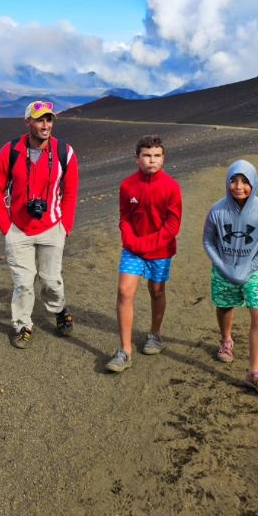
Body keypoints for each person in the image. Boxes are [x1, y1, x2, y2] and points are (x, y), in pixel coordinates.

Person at [0, 101, 78, 349]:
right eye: (39, 120)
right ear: (27, 121)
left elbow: (70, 192)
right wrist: (6, 227)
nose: (45, 125)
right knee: (23, 282)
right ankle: (22, 325)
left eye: (49, 120)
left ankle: (58, 310)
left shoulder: (64, 152)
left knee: (51, 280)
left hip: (52, 227)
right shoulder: (10, 151)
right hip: (18, 229)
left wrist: (65, 226)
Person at [106, 135, 182, 373]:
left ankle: (155, 335)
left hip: (160, 249)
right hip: (133, 248)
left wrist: (145, 244)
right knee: (123, 291)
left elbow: (172, 226)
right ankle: (125, 351)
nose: (152, 160)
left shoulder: (171, 186)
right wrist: (132, 242)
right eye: (147, 155)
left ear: (163, 158)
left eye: (157, 155)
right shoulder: (127, 185)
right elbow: (124, 218)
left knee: (156, 291)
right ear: (137, 158)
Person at [202, 159, 258, 394]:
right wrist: (223, 267)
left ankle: (253, 372)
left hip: (253, 271)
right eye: (233, 180)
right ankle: (226, 341)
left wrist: (251, 266)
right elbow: (208, 241)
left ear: (254, 183)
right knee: (224, 307)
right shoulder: (217, 210)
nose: (238, 186)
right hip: (223, 269)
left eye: (245, 181)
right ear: (227, 182)